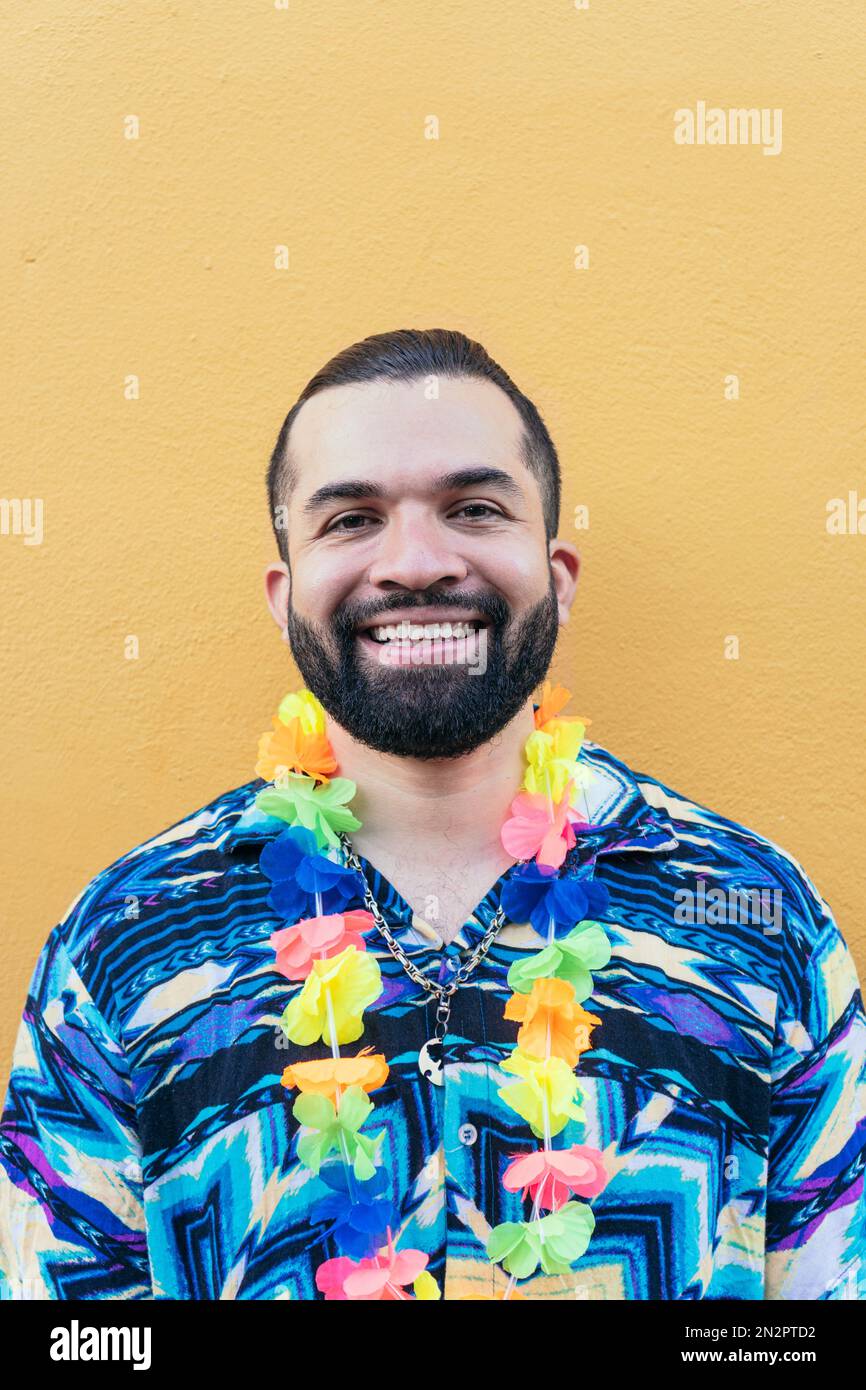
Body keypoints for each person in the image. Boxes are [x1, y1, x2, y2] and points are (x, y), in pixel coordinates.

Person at [1, 328, 863, 1301]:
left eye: (474, 508)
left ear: (558, 574)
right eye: (350, 519)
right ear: (285, 599)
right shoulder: (129, 939)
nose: (414, 562)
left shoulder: (749, 915)